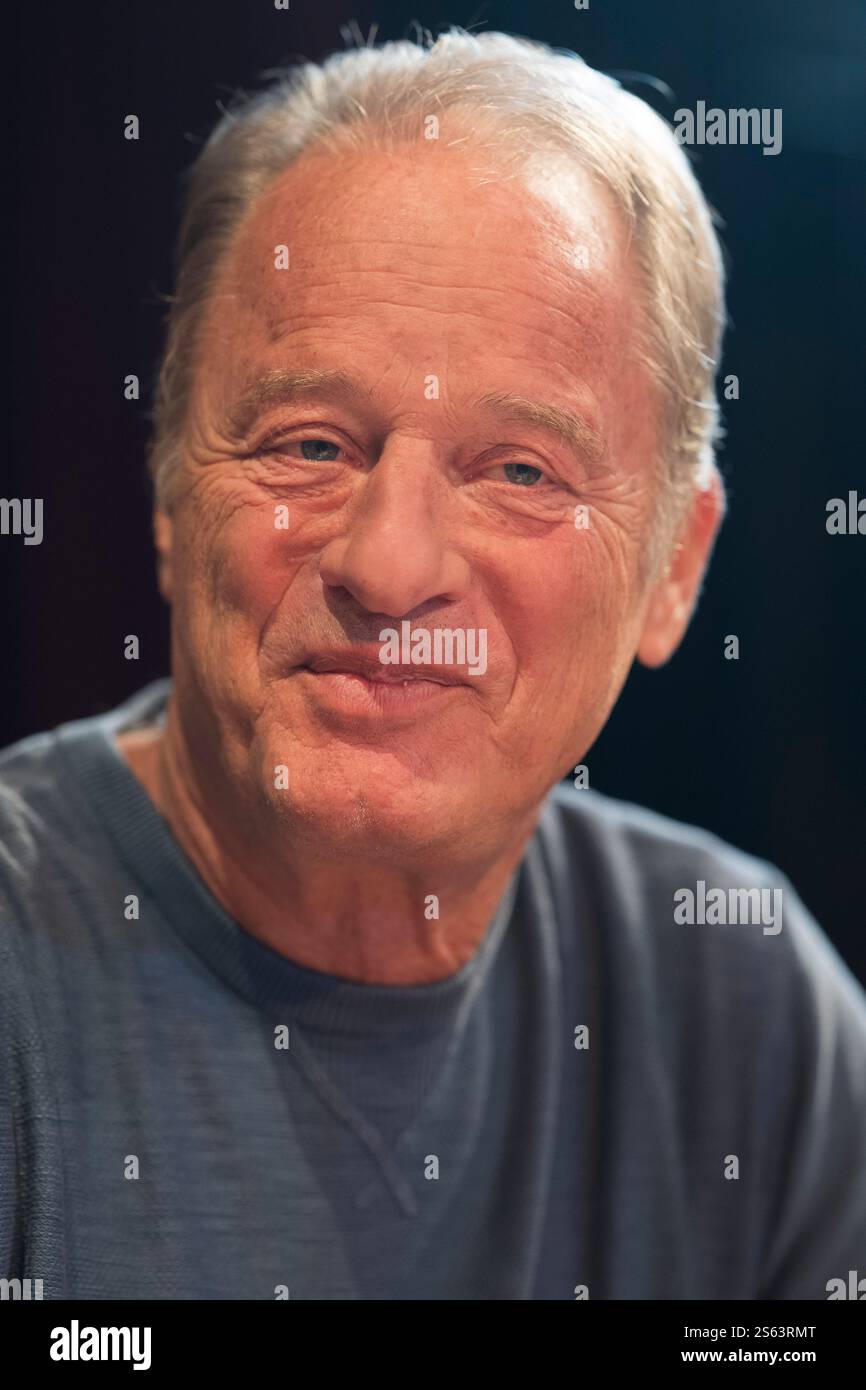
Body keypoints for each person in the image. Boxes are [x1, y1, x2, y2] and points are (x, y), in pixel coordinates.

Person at [1, 29, 864, 1301]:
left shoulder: (741, 1010)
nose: (392, 568)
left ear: (673, 570)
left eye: (519, 470)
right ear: (172, 503)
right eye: (308, 445)